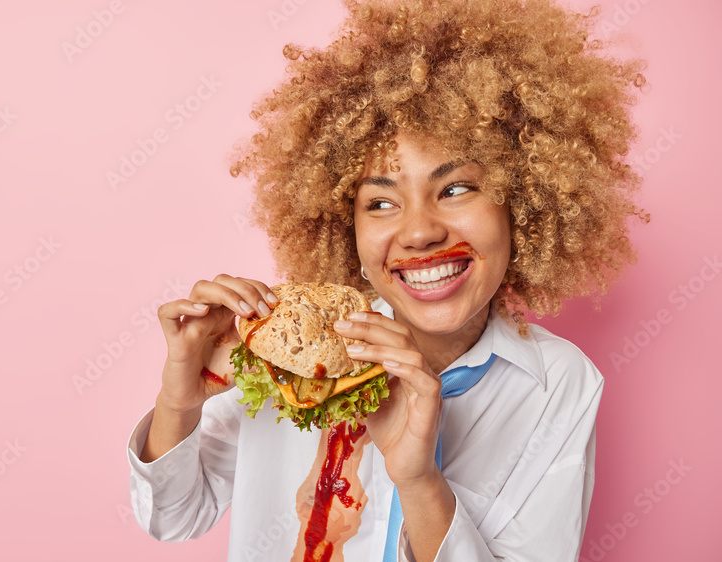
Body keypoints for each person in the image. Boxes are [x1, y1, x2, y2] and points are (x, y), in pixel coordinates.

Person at [126, 0, 647, 560]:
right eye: (379, 201)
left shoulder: (559, 386)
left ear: (521, 203)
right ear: (341, 223)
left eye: (455, 189)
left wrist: (419, 481)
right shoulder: (293, 351)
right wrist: (180, 399)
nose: (419, 231)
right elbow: (173, 518)